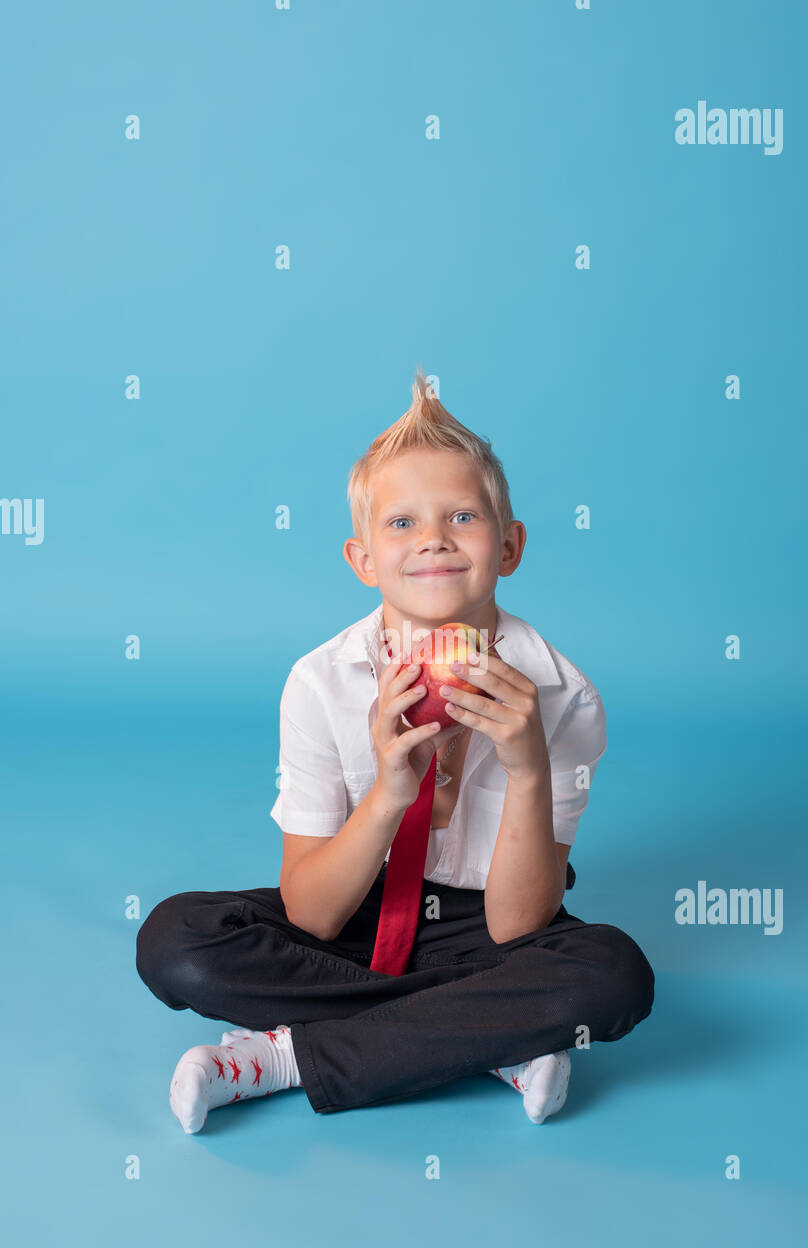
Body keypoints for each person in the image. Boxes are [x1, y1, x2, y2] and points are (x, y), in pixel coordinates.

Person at [136, 367, 655, 1132]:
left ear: (508, 546)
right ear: (363, 561)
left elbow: (518, 928)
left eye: (463, 518)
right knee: (176, 940)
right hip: (351, 915)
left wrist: (527, 765)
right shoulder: (318, 684)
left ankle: (275, 1059)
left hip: (482, 931)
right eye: (402, 524)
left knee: (613, 975)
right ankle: (487, 1039)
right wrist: (387, 795)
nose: (435, 540)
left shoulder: (562, 695)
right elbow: (311, 915)